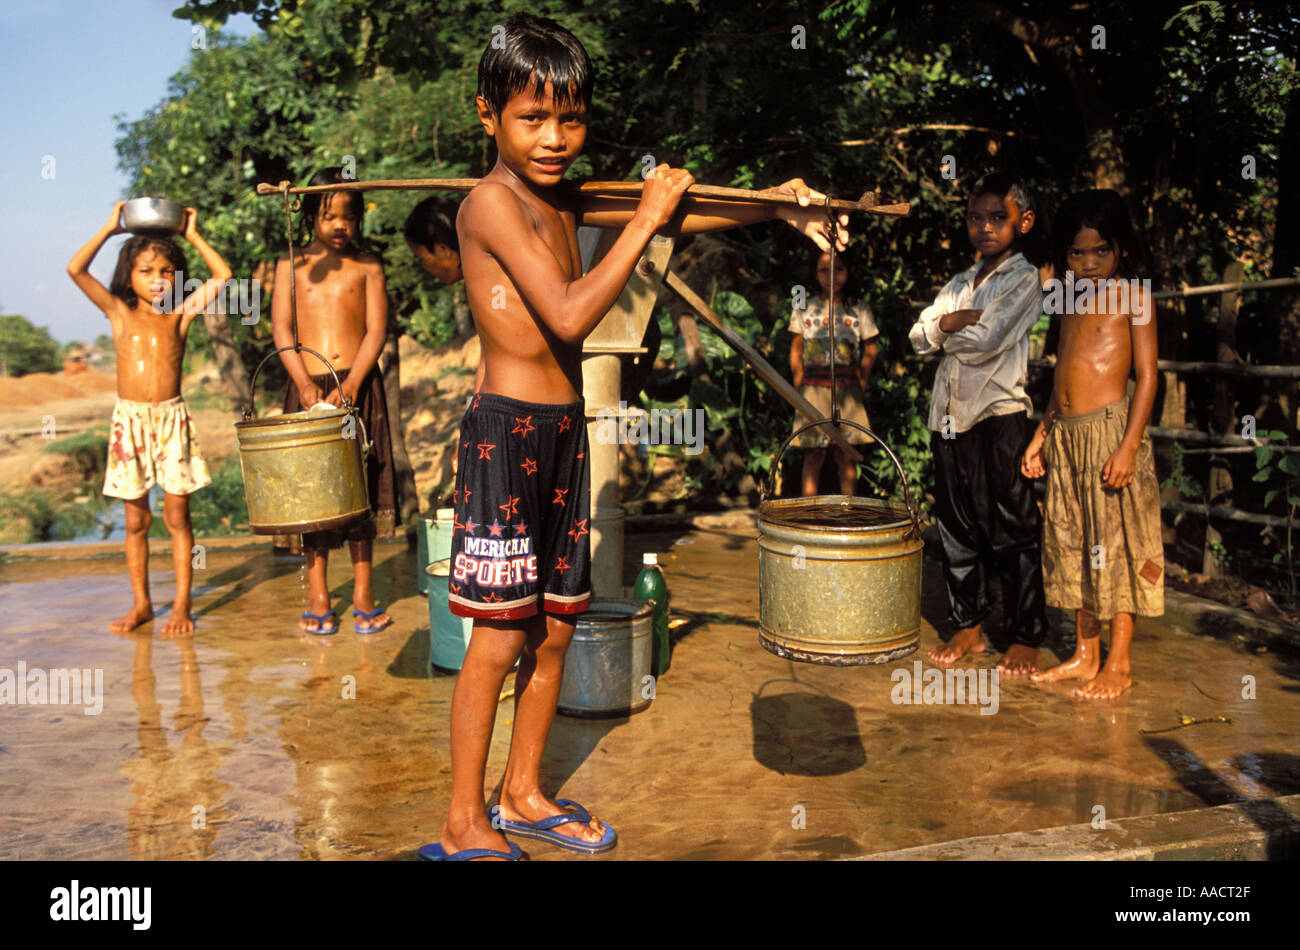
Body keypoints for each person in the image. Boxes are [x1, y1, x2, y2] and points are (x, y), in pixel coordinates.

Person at [424, 12, 848, 861]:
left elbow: (682, 215)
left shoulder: (568, 199)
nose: (553, 138)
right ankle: (463, 818)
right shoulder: (489, 205)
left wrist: (775, 207)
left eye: (570, 119)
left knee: (553, 628)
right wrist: (650, 216)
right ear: (487, 115)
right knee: (502, 633)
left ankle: (523, 790)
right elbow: (573, 312)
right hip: (506, 435)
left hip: (562, 431)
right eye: (531, 118)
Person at [907, 171, 1049, 676]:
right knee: (956, 524)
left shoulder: (1025, 279)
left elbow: (986, 340)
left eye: (998, 217)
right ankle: (968, 627)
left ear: (1023, 222)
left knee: (1011, 525)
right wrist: (948, 323)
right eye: (975, 217)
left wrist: (946, 330)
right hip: (947, 419)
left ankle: (1025, 633)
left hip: (999, 417)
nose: (985, 227)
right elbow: (916, 336)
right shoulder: (960, 283)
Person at [67, 201, 231, 636]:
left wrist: (193, 235)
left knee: (178, 518)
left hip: (171, 420)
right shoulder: (119, 315)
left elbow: (223, 277)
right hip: (130, 424)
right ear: (129, 275)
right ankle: (141, 604)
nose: (157, 280)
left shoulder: (179, 316)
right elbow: (76, 270)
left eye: (165, 272)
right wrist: (108, 228)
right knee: (136, 521)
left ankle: (180, 605)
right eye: (146, 271)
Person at [1023, 189, 1162, 699]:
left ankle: (1119, 663)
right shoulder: (1070, 300)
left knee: (1116, 544)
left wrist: (1128, 447)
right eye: (1077, 254)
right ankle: (1086, 656)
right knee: (1074, 544)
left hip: (1110, 432)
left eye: (1100, 251)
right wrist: (1041, 435)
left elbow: (1147, 377)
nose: (1088, 263)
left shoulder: (1134, 297)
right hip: (1067, 435)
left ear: (1120, 248)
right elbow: (1062, 375)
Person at [272, 168, 397, 636]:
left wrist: (354, 384)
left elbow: (377, 330)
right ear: (309, 216)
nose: (340, 226)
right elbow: (283, 330)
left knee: (358, 488)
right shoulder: (291, 265)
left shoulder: (368, 266)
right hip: (306, 382)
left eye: (349, 217)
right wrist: (303, 383)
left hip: (359, 384)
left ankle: (363, 592)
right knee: (314, 491)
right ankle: (318, 593)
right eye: (329, 216)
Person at [788, 250, 879, 495]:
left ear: (849, 271)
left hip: (847, 389)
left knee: (845, 453)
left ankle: (847, 512)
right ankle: (810, 514)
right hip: (813, 389)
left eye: (838, 269)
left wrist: (863, 378)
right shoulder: (804, 305)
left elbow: (871, 346)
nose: (831, 276)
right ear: (814, 272)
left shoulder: (858, 307)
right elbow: (796, 346)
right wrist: (798, 383)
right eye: (824, 270)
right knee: (813, 454)